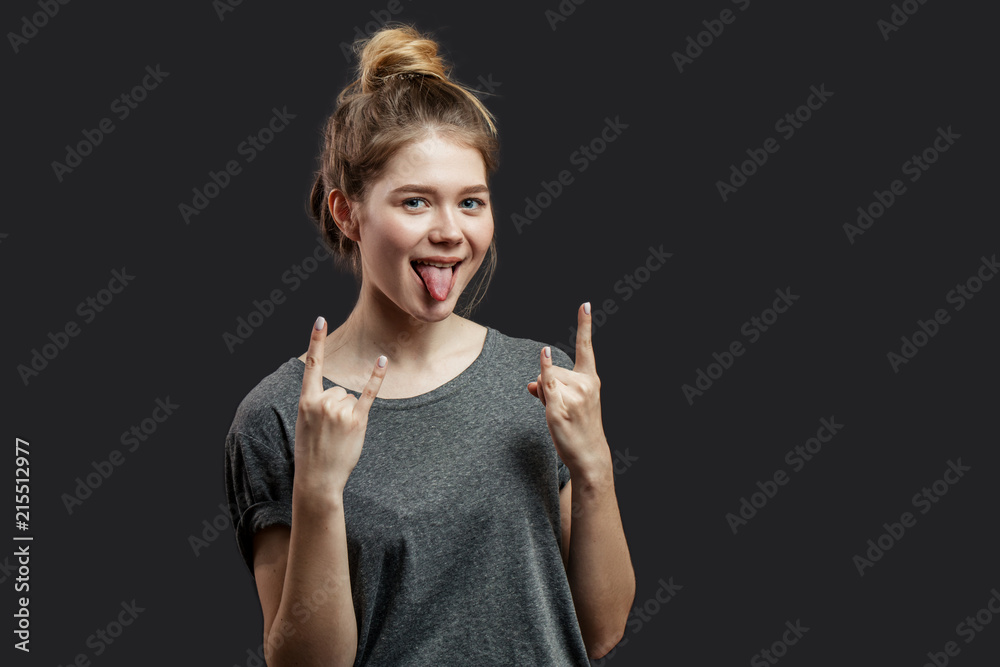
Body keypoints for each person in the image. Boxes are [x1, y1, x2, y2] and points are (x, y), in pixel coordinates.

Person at [225, 24, 635, 666]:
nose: (450, 231)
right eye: (416, 202)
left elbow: (600, 630)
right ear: (346, 212)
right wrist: (319, 492)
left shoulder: (540, 382)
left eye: (471, 202)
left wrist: (594, 464)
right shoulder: (281, 417)